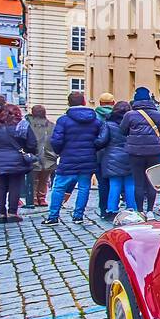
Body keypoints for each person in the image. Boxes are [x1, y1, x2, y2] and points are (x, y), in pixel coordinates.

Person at [43, 92, 109, 225]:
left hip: (68, 158)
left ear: (69, 103)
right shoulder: (94, 120)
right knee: (84, 187)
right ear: (84, 102)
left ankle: (53, 216)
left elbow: (56, 140)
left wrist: (60, 151)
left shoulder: (63, 120)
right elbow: (102, 138)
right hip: (88, 158)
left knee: (59, 187)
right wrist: (93, 148)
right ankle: (78, 215)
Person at [0, 104, 37, 224]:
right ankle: (12, 213)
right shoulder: (22, 125)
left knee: (0, 187)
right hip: (17, 160)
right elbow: (32, 143)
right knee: (14, 187)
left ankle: (0, 214)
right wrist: (26, 151)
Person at [122, 86, 160, 214]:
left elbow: (123, 131)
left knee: (138, 182)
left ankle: (140, 211)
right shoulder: (159, 115)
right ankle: (150, 210)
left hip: (135, 152)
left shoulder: (129, 115)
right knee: (151, 181)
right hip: (154, 152)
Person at [101, 101, 136, 218]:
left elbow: (102, 140)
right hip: (130, 155)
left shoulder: (109, 124)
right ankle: (132, 208)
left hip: (112, 156)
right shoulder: (132, 122)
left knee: (115, 184)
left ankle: (112, 209)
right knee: (130, 184)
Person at [25, 106, 57, 207]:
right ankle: (41, 198)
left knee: (34, 179)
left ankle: (34, 198)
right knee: (44, 179)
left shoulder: (29, 125)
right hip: (49, 156)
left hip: (34, 155)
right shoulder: (51, 125)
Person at [94, 92, 116, 217]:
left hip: (99, 154)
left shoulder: (94, 116)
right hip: (114, 154)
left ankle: (103, 209)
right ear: (113, 102)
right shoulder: (118, 115)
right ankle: (113, 207)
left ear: (100, 103)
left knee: (102, 183)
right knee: (115, 183)